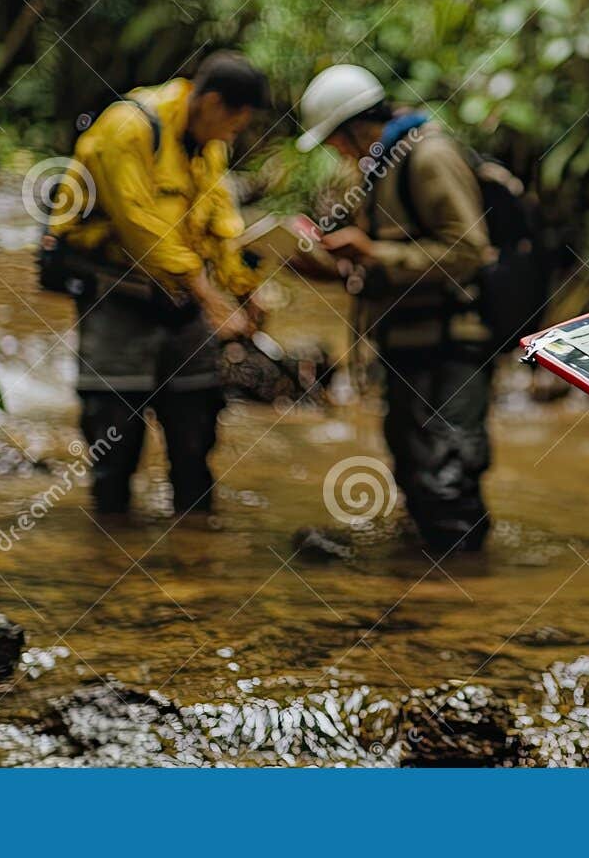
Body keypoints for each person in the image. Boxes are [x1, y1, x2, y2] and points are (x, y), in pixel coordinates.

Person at [48, 51, 268, 515]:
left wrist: (245, 291)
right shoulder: (126, 129)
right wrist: (211, 298)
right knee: (114, 449)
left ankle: (194, 563)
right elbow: (139, 227)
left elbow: (220, 226)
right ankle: (110, 563)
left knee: (195, 439)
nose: (236, 132)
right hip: (115, 300)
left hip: (181, 306)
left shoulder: (209, 144)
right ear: (210, 101)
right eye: (235, 120)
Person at [294, 64, 495, 554]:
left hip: (450, 346)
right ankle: (427, 590)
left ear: (357, 127)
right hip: (407, 344)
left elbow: (469, 250)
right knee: (413, 466)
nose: (337, 153)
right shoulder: (381, 169)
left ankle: (463, 601)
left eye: (335, 142)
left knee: (448, 474)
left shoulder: (428, 157)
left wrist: (372, 253)